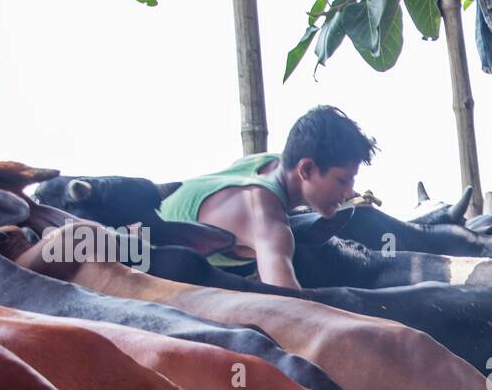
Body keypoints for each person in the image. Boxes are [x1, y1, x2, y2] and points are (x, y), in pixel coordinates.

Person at [159, 105, 377, 289]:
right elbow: (290, 306)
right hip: (142, 263)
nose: (350, 192)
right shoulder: (266, 223)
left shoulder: (268, 163)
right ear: (307, 169)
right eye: (342, 181)